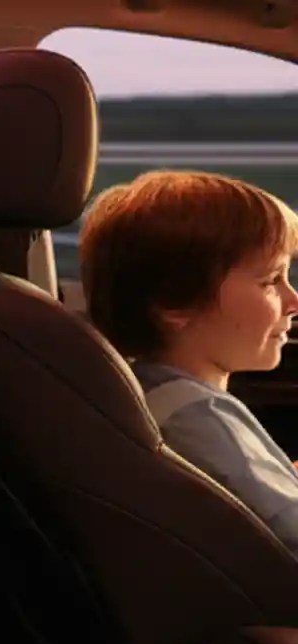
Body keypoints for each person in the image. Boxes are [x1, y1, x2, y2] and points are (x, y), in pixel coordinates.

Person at [79, 169, 298, 555]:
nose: (293, 301)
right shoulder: (195, 415)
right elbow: (289, 529)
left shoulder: (157, 395)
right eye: (270, 281)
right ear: (174, 302)